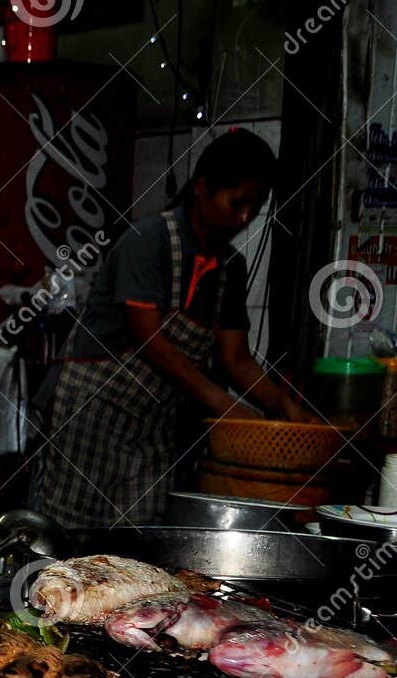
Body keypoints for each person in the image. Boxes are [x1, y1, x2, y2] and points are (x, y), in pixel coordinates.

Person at [32, 128, 312, 528]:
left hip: (152, 427)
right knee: (69, 538)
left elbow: (235, 358)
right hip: (91, 412)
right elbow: (149, 340)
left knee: (137, 541)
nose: (245, 218)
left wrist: (285, 410)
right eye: (237, 202)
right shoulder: (149, 241)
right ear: (202, 188)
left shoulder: (230, 268)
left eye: (256, 206)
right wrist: (227, 408)